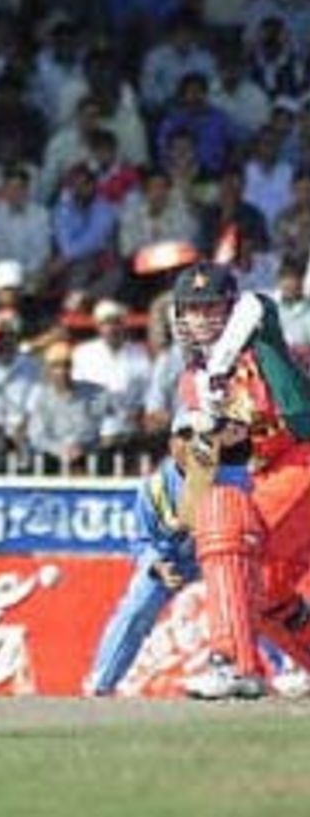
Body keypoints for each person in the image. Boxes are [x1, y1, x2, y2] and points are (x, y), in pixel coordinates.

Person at [171, 261, 310, 699]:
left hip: (303, 458)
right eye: (192, 310)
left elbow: (256, 305)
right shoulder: (192, 384)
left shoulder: (258, 343)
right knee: (262, 590)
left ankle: (232, 662)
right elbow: (209, 463)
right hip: (275, 476)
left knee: (231, 529)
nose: (201, 318)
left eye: (212, 307)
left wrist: (221, 366)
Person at [85, 412, 202, 696]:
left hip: (213, 560)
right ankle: (101, 682)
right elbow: (141, 541)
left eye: (200, 438)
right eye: (185, 437)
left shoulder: (225, 479)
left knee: (252, 597)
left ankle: (285, 672)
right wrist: (158, 566)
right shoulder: (155, 486)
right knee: (136, 609)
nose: (192, 445)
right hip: (169, 560)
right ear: (173, 443)